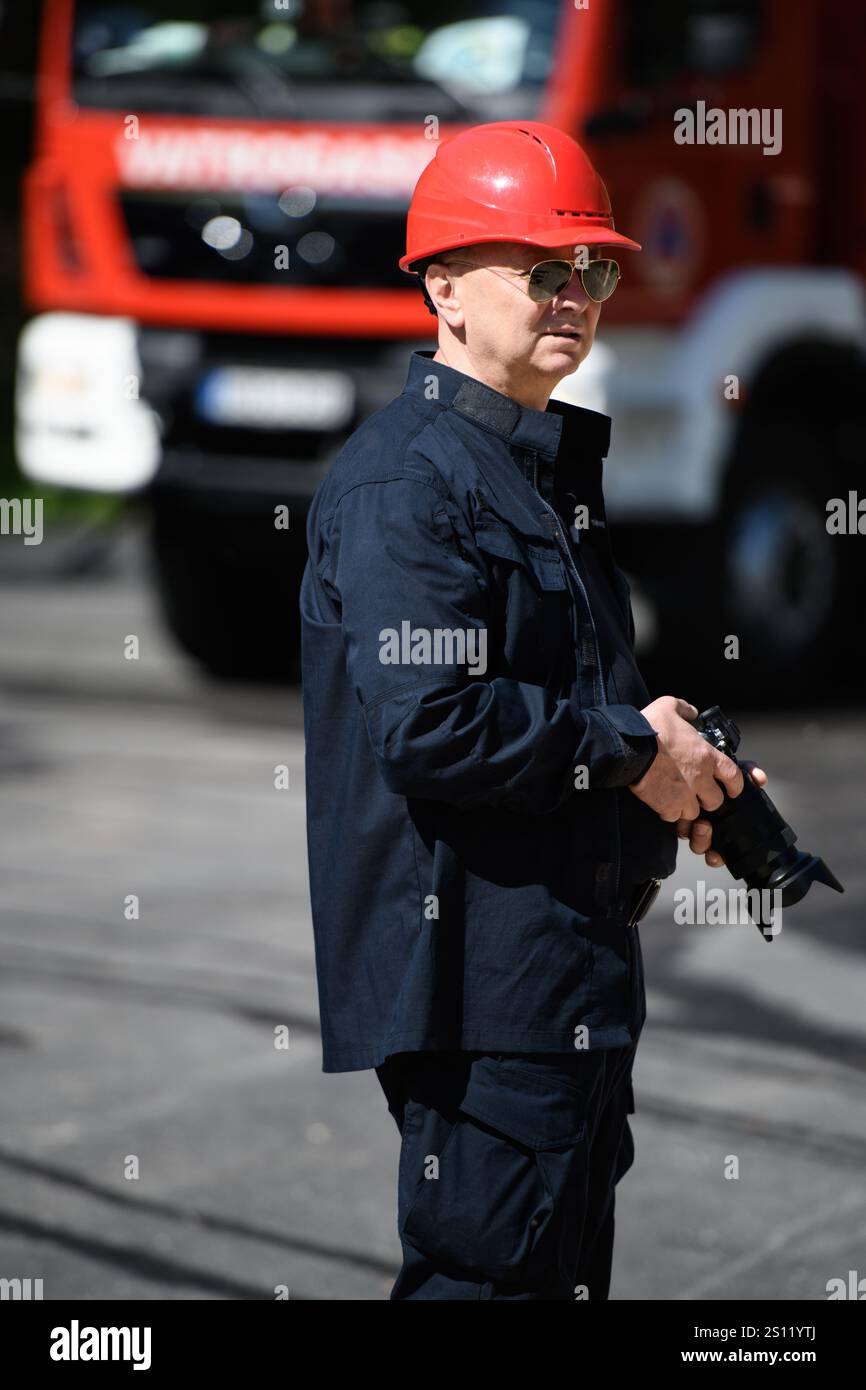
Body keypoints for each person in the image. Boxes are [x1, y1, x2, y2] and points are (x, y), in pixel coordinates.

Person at [299, 120, 767, 1300]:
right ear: (442, 286)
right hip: (483, 989)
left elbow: (560, 702)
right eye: (543, 269)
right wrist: (624, 749)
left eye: (594, 270)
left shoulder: (529, 470)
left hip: (559, 971)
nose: (575, 294)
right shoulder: (412, 483)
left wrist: (676, 773)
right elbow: (432, 721)